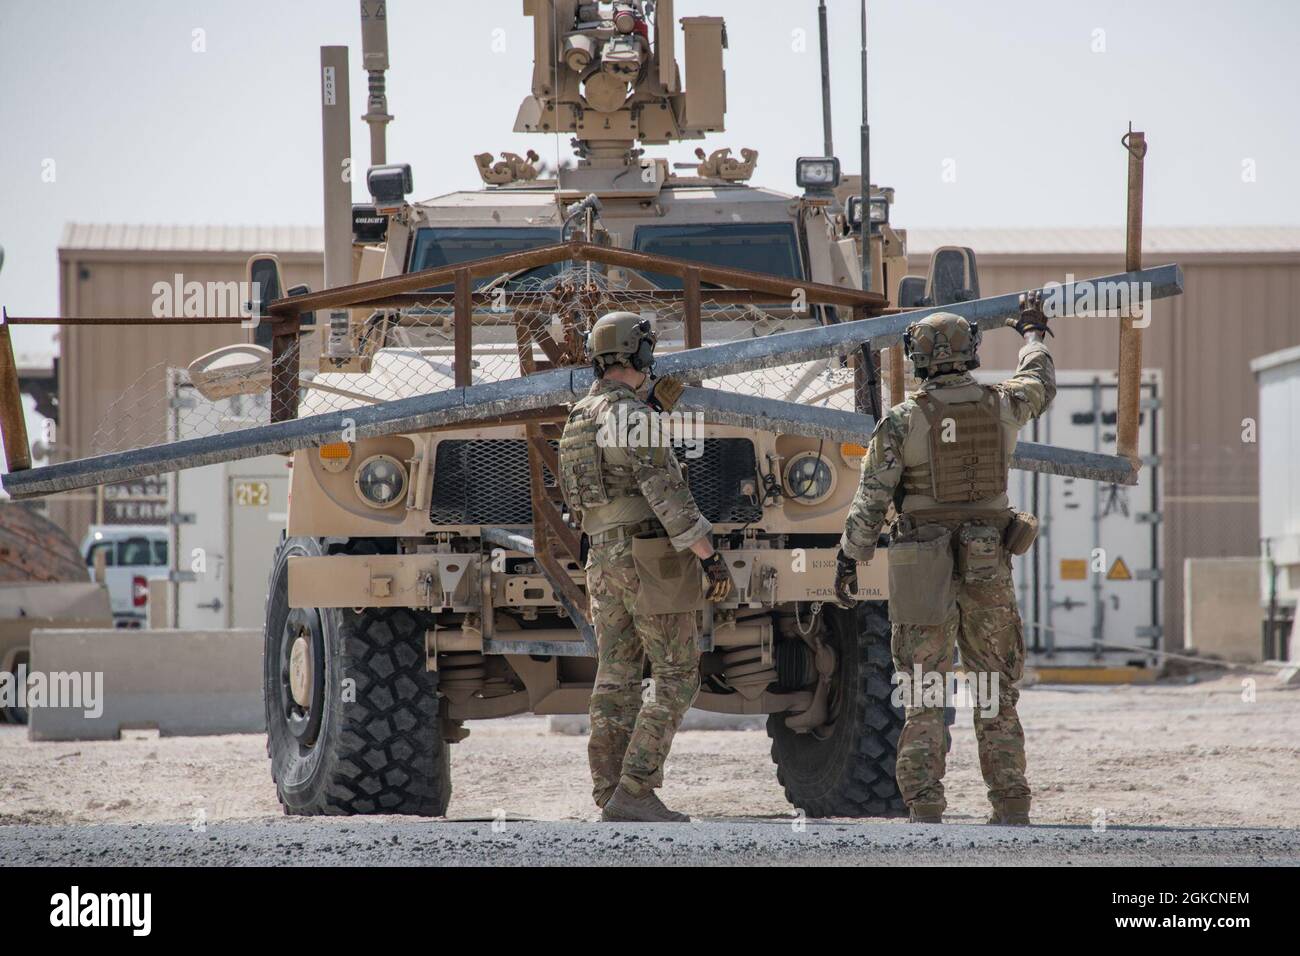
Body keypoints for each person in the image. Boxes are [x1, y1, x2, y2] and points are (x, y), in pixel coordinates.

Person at [834, 294, 1055, 825]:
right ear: (969, 352)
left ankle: (926, 803)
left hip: (921, 565)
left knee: (923, 687)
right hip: (987, 562)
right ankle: (1011, 802)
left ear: (918, 358)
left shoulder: (902, 421)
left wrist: (849, 559)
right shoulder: (1001, 404)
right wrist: (1033, 332)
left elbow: (870, 502)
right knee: (994, 688)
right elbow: (1041, 382)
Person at [558, 311, 733, 823]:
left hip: (602, 559)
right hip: (647, 559)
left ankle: (609, 791)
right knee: (678, 675)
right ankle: (636, 787)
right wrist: (710, 556)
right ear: (638, 354)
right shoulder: (635, 417)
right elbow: (666, 492)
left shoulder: (580, 416)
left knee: (615, 676)